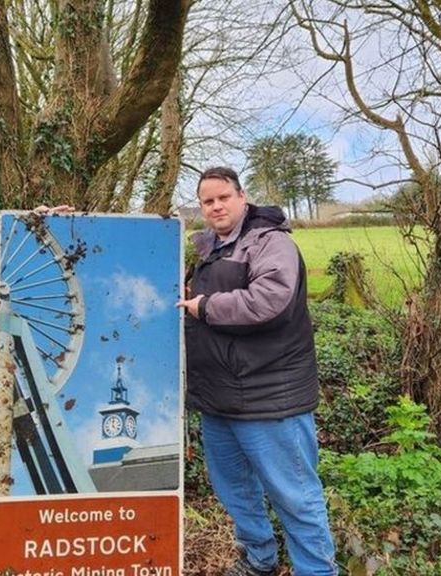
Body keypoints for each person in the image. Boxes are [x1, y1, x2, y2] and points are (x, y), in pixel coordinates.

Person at [176, 166, 337, 576]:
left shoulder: (270, 242)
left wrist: (206, 306)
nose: (215, 206)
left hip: (270, 397)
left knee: (295, 495)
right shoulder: (208, 249)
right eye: (207, 201)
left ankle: (317, 570)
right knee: (234, 490)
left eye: (222, 197)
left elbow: (270, 300)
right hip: (219, 398)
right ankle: (259, 558)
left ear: (242, 196)